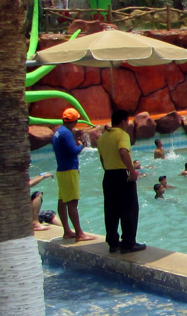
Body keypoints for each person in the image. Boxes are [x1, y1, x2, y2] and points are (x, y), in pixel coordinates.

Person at [98, 109, 144, 253]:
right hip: (123, 176)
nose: (129, 124)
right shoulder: (122, 135)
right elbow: (123, 151)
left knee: (111, 210)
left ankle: (113, 243)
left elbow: (102, 158)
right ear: (123, 121)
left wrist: (107, 168)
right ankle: (128, 243)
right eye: (128, 121)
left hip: (108, 176)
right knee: (128, 209)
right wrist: (132, 171)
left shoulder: (103, 137)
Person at [51, 108, 97, 242]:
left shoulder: (58, 132)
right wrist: (81, 145)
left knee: (62, 200)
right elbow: (73, 151)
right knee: (72, 202)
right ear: (75, 121)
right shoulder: (66, 133)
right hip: (69, 170)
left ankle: (67, 231)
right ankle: (79, 233)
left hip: (61, 170)